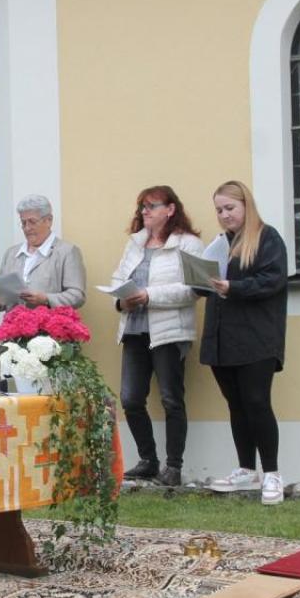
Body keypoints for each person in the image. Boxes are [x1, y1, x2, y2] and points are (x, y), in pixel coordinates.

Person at [199, 181, 289, 505]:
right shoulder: (219, 243)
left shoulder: (267, 237)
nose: (224, 216)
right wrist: (196, 278)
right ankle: (246, 469)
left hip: (256, 338)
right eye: (219, 210)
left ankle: (272, 474)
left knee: (256, 402)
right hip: (222, 338)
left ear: (246, 206)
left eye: (230, 208)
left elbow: (272, 280)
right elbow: (206, 284)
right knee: (236, 404)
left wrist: (231, 287)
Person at [110, 186, 205, 487]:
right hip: (134, 330)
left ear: (170, 209)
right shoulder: (135, 244)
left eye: (151, 206)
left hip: (169, 331)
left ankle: (173, 467)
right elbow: (117, 280)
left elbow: (193, 290)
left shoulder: (188, 244)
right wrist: (120, 300)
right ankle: (148, 460)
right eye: (142, 207)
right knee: (130, 398)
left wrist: (148, 295)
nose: (144, 212)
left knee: (171, 399)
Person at [0, 194, 87, 311]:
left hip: (48, 326)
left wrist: (46, 299)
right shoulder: (11, 254)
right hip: (13, 326)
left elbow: (77, 296)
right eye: (23, 223)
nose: (27, 228)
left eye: (32, 222)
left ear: (48, 221)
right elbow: (3, 297)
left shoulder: (67, 252)